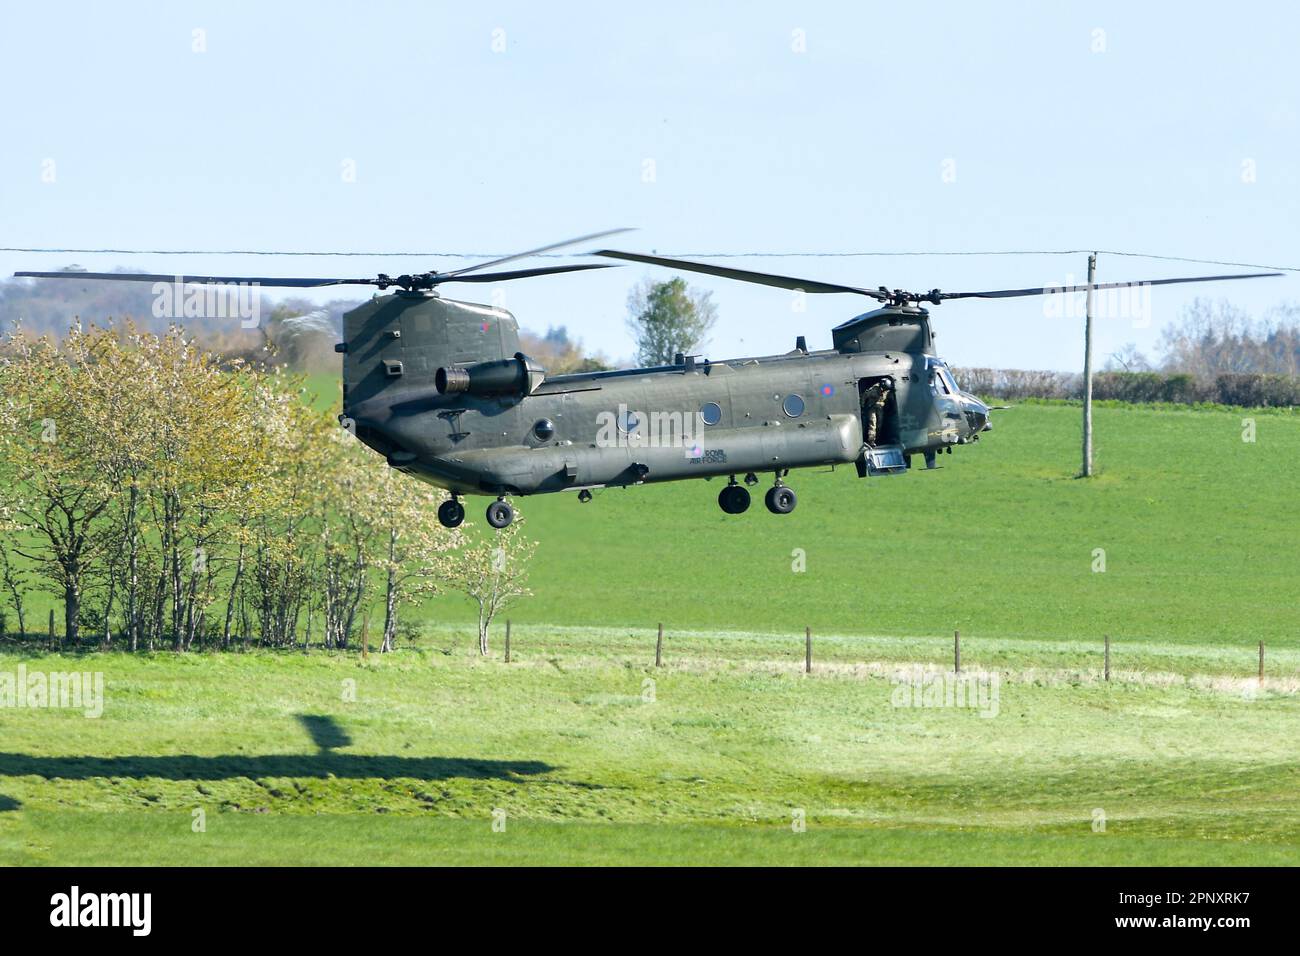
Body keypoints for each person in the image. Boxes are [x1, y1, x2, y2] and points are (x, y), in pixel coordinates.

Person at [861, 380, 891, 445]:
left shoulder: (887, 391)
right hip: (872, 408)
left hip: (880, 408)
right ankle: (871, 441)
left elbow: (888, 398)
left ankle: (878, 440)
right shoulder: (874, 389)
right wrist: (862, 406)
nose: (884, 390)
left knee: (879, 425)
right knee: (872, 424)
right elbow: (864, 395)